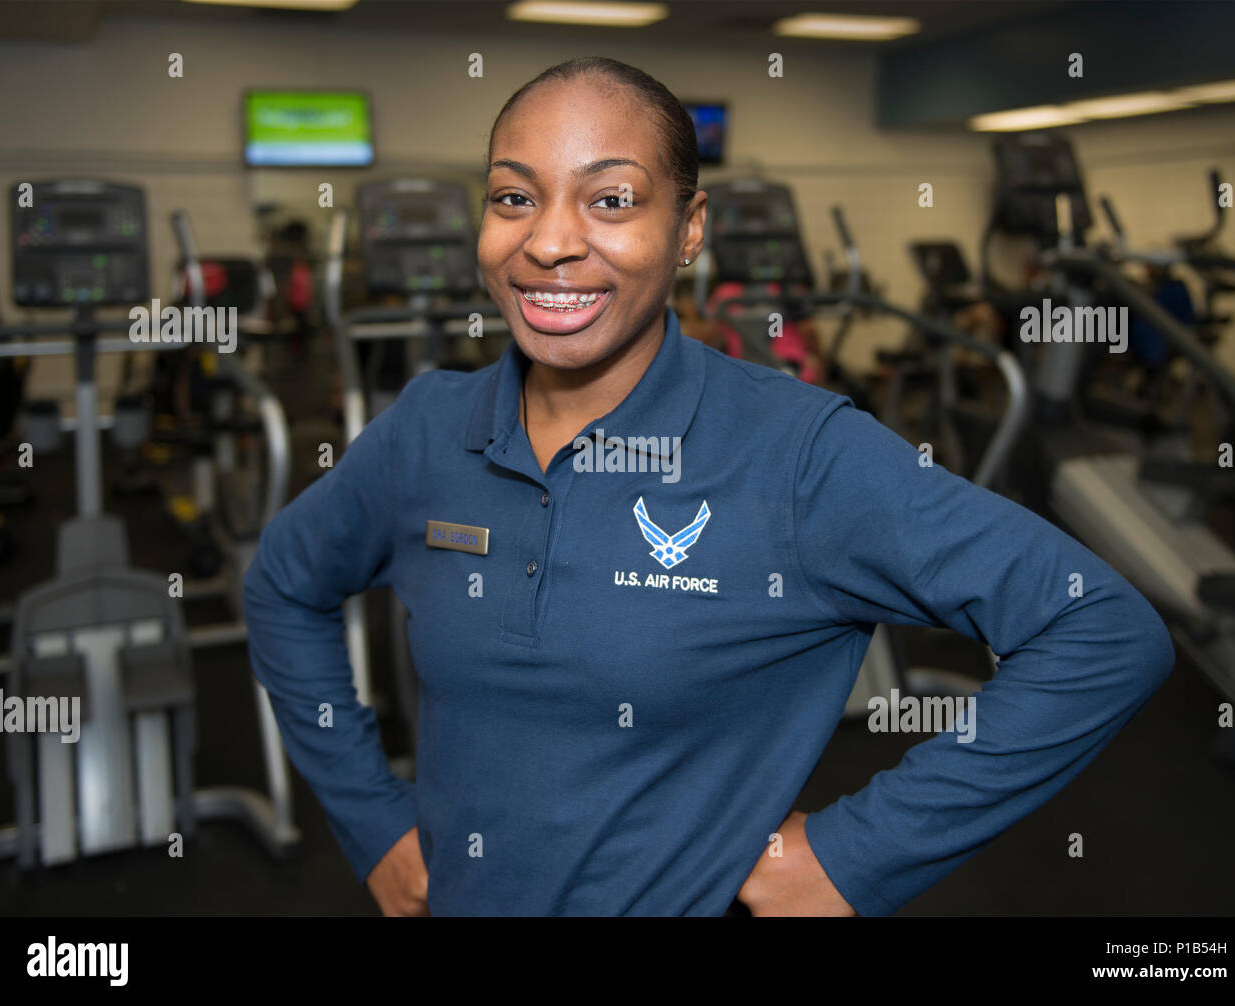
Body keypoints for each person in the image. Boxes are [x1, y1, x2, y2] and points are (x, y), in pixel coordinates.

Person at [243, 57, 1175, 917]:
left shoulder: (800, 455)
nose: (550, 241)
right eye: (514, 197)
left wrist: (857, 855)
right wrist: (375, 823)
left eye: (611, 199)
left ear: (689, 230)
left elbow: (1101, 630)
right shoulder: (427, 430)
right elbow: (282, 583)